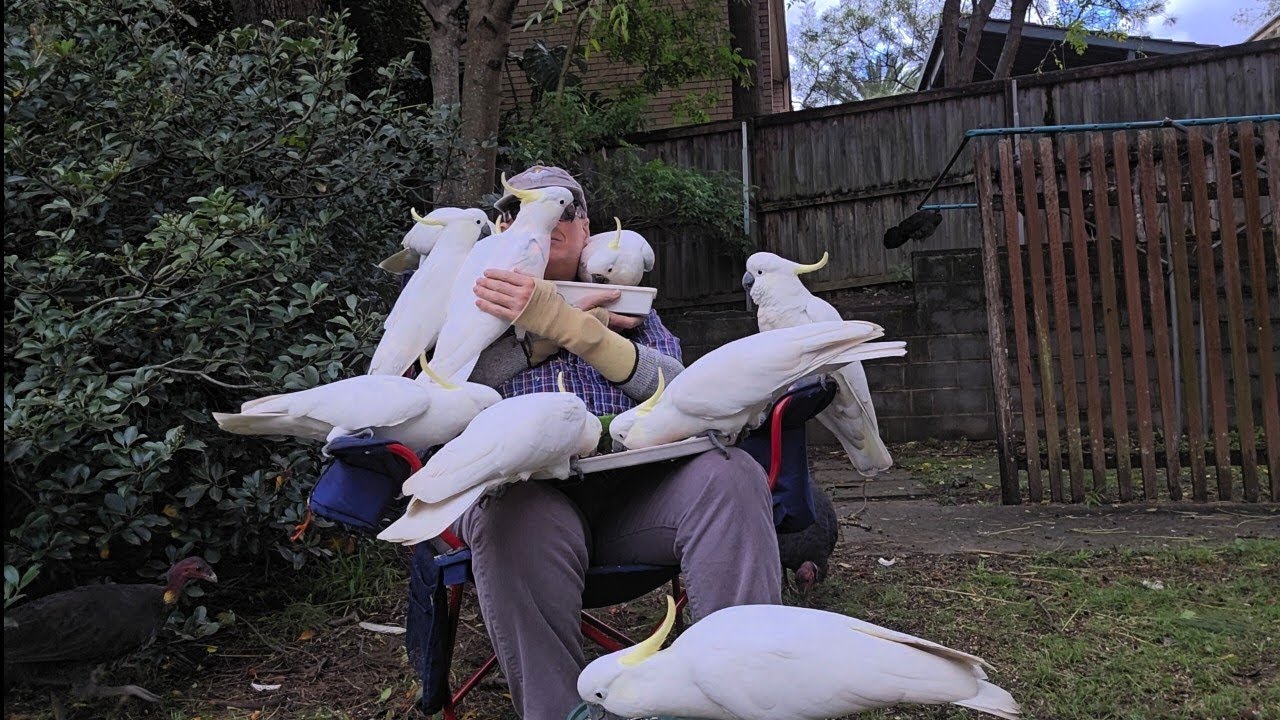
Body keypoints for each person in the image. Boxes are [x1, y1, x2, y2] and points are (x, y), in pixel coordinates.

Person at [453, 165, 783, 720]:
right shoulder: (473, 302)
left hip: (640, 495)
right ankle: (561, 714)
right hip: (534, 502)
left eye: (567, 208)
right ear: (503, 227)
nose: (550, 217)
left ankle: (740, 694)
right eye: (521, 207)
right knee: (511, 516)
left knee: (733, 477)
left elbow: (690, 392)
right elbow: (442, 396)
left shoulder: (629, 302)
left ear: (586, 230)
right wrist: (536, 339)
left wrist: (591, 335)